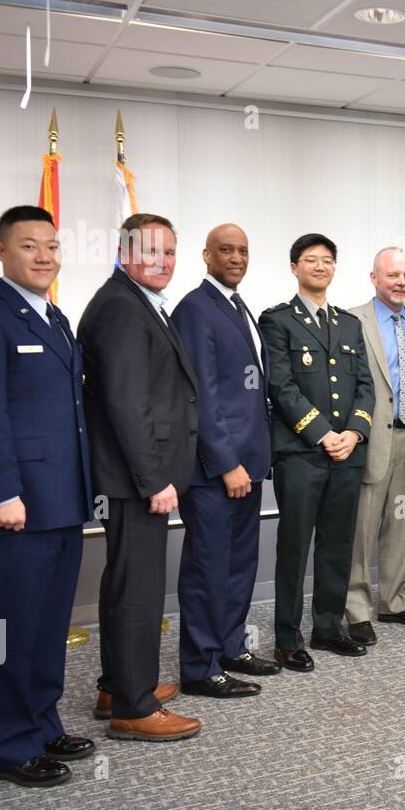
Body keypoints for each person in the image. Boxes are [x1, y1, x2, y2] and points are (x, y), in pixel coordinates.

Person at [0, 205, 95, 785]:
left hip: (60, 501)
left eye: (52, 246)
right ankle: (10, 746)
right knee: (10, 630)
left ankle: (42, 720)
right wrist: (2, 491)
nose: (44, 257)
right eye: (30, 246)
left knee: (48, 623)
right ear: (2, 252)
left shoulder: (55, 318)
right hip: (15, 506)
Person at [78, 212, 201, 741]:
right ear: (125, 251)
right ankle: (133, 706)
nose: (163, 262)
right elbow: (128, 404)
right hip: (135, 479)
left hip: (136, 475)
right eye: (151, 252)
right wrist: (154, 480)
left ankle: (118, 685)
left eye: (170, 252)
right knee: (139, 590)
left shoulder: (134, 301)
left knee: (128, 583)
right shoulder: (122, 309)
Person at [168, 224, 278, 700]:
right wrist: (226, 462)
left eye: (243, 251)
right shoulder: (195, 308)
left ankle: (231, 647)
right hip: (218, 470)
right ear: (206, 255)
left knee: (238, 565)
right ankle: (200, 666)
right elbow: (202, 395)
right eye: (226, 250)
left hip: (248, 464)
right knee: (208, 569)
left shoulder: (237, 305)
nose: (236, 257)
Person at [259, 233, 375, 669]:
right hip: (302, 454)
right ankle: (287, 638)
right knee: (294, 547)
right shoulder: (277, 321)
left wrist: (354, 434)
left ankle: (328, 628)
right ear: (294, 267)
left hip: (347, 454)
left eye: (327, 260)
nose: (320, 267)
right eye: (311, 260)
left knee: (337, 545)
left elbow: (366, 386)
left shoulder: (349, 324)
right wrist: (324, 434)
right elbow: (281, 387)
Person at [345, 247, 405, 645]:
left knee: (401, 524)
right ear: (374, 278)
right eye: (392, 275)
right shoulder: (352, 320)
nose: (401, 283)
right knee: (362, 529)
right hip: (371, 439)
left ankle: (394, 601)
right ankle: (357, 609)